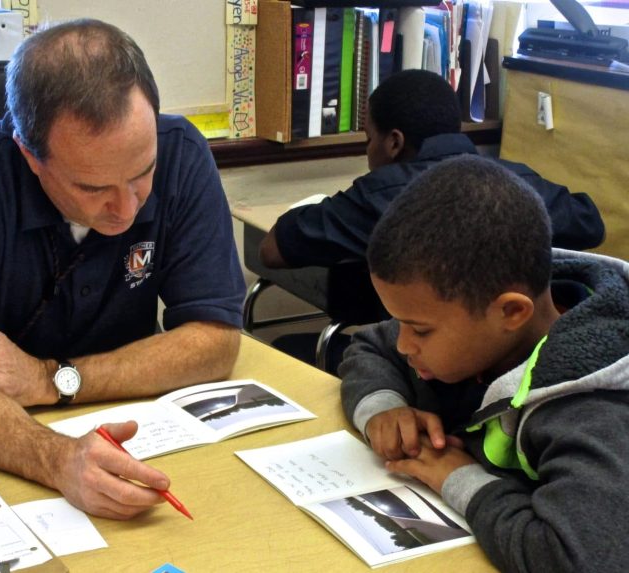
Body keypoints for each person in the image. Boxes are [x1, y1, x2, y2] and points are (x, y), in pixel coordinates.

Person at [0, 19, 246, 519]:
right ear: (30, 156)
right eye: (93, 189)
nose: (126, 209)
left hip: (126, 424)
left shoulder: (181, 151)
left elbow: (215, 338)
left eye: (142, 174)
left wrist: (52, 379)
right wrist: (57, 459)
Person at [340, 154, 629, 571]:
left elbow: (578, 559)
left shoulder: (591, 408)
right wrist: (385, 409)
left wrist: (457, 478)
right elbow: (371, 346)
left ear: (511, 312)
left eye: (419, 331)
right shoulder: (474, 322)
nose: (404, 344)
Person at [259, 69, 605, 269]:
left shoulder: (380, 197)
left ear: (393, 142)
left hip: (420, 364)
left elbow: (272, 251)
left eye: (369, 139)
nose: (368, 150)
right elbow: (590, 225)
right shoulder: (517, 181)